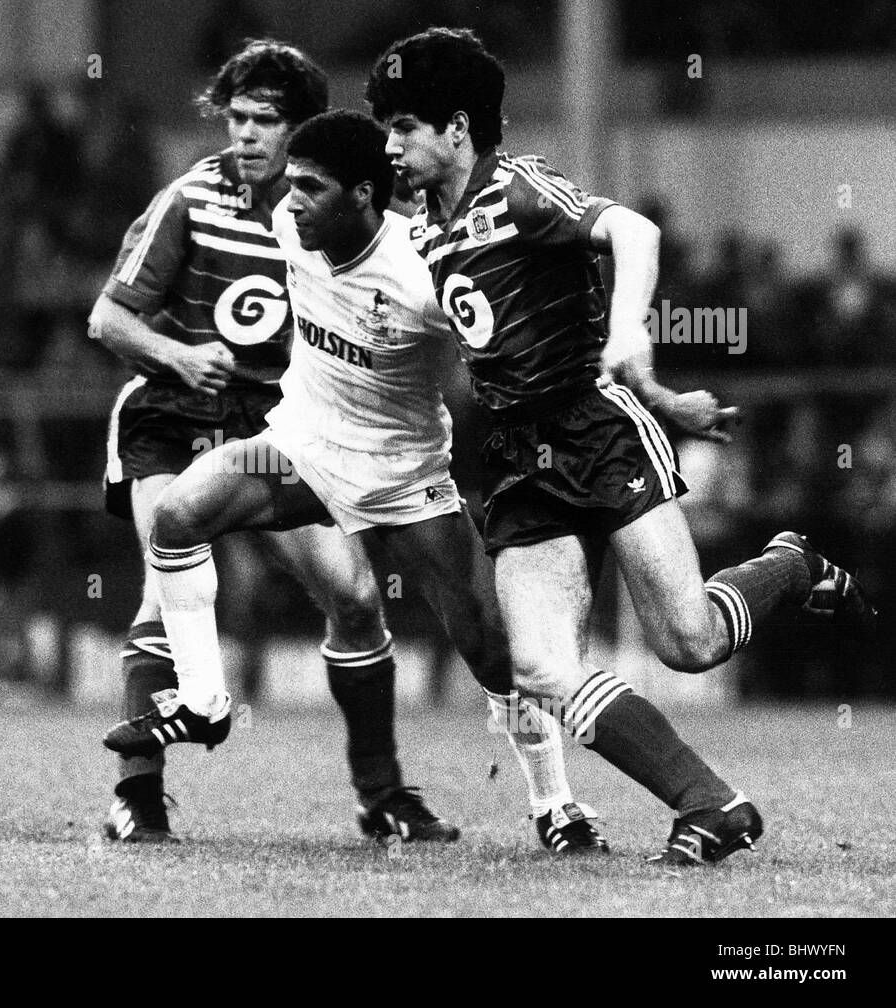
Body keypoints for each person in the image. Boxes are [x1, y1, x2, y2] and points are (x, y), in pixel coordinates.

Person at [365, 27, 874, 865]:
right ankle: (711, 802)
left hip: (598, 430)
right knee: (540, 666)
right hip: (520, 462)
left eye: (405, 127)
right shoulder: (424, 224)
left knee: (690, 643)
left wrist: (632, 330)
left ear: (457, 128)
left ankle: (790, 562)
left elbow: (633, 231)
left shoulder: (520, 190)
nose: (392, 146)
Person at [103, 109, 607, 855]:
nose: (291, 199)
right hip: (301, 447)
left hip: (404, 475)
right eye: (292, 185)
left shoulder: (423, 272)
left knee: (492, 648)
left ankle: (554, 804)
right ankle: (205, 701)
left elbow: (491, 361)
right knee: (176, 517)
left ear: (366, 196)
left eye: (311, 187)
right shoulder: (287, 224)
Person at [89, 40, 462, 845]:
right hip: (173, 420)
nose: (247, 137)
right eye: (237, 119)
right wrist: (180, 356)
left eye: (267, 121)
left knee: (357, 600)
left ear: (305, 131)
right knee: (167, 587)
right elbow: (108, 318)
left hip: (275, 428)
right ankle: (138, 797)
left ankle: (382, 795)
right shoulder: (190, 200)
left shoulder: (334, 213)